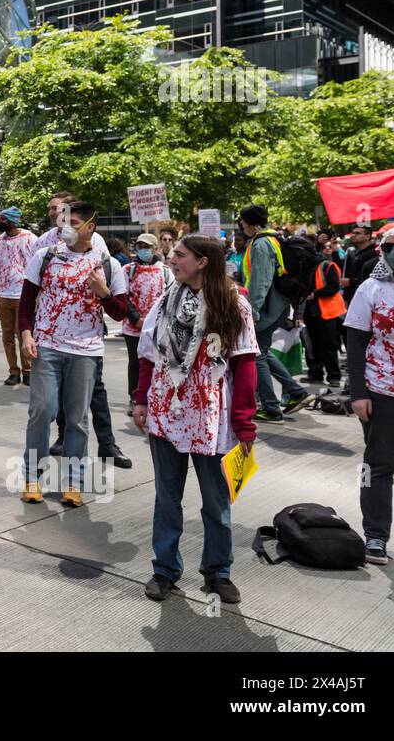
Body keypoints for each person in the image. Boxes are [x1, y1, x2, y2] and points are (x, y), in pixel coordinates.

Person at [133, 234, 259, 604]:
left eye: (180, 254)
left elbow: (246, 363)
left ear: (203, 261)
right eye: (173, 254)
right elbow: (147, 355)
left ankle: (218, 571)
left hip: (211, 417)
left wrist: (244, 422)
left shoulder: (233, 304)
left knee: (216, 503)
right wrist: (141, 400)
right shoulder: (164, 302)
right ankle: (165, 570)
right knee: (167, 499)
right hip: (166, 412)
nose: (171, 259)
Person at [18, 201, 127, 506]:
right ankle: (32, 478)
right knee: (42, 411)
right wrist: (26, 334)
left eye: (74, 222)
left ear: (91, 227)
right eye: (64, 221)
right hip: (47, 346)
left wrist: (103, 292)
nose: (66, 227)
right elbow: (27, 302)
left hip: (86, 350)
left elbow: (121, 313)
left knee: (77, 419)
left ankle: (73, 483)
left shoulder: (107, 264)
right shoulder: (45, 256)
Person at [344, 225, 394, 565]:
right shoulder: (370, 288)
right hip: (384, 389)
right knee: (376, 466)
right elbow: (355, 342)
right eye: (388, 248)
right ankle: (375, 535)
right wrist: (358, 392)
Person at [239, 204, 309, 422]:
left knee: (255, 354)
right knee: (263, 351)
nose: (241, 225)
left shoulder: (261, 244)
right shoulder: (273, 239)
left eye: (242, 221)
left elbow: (261, 281)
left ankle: (271, 407)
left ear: (249, 223)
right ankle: (295, 392)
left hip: (267, 308)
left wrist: (253, 311)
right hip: (277, 306)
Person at [123, 233, 174, 407]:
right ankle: (135, 397)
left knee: (156, 361)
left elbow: (170, 297)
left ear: (154, 249)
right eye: (140, 247)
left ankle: (156, 397)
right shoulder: (128, 270)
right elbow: (123, 296)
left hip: (158, 326)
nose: (143, 250)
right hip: (133, 327)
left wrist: (155, 321)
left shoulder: (165, 271)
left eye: (147, 247)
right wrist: (136, 319)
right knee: (135, 363)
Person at [0, 207, 37, 385]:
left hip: (23, 295)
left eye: (2, 219)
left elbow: (38, 266)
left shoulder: (30, 238)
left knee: (23, 333)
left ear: (11, 221)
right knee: (7, 336)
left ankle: (28, 371)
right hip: (3, 295)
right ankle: (13, 371)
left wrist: (37, 293)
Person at [302, 241, 345, 386]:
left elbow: (334, 287)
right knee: (312, 345)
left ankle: (334, 377)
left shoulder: (328, 266)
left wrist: (315, 294)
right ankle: (315, 374)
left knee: (329, 346)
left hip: (328, 313)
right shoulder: (305, 267)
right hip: (310, 313)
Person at [342, 224, 379, 307]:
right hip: (352, 297)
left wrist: (351, 281)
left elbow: (373, 277)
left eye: (357, 233)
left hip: (365, 299)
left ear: (367, 236)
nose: (353, 235)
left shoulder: (374, 254)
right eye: (353, 233)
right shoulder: (354, 253)